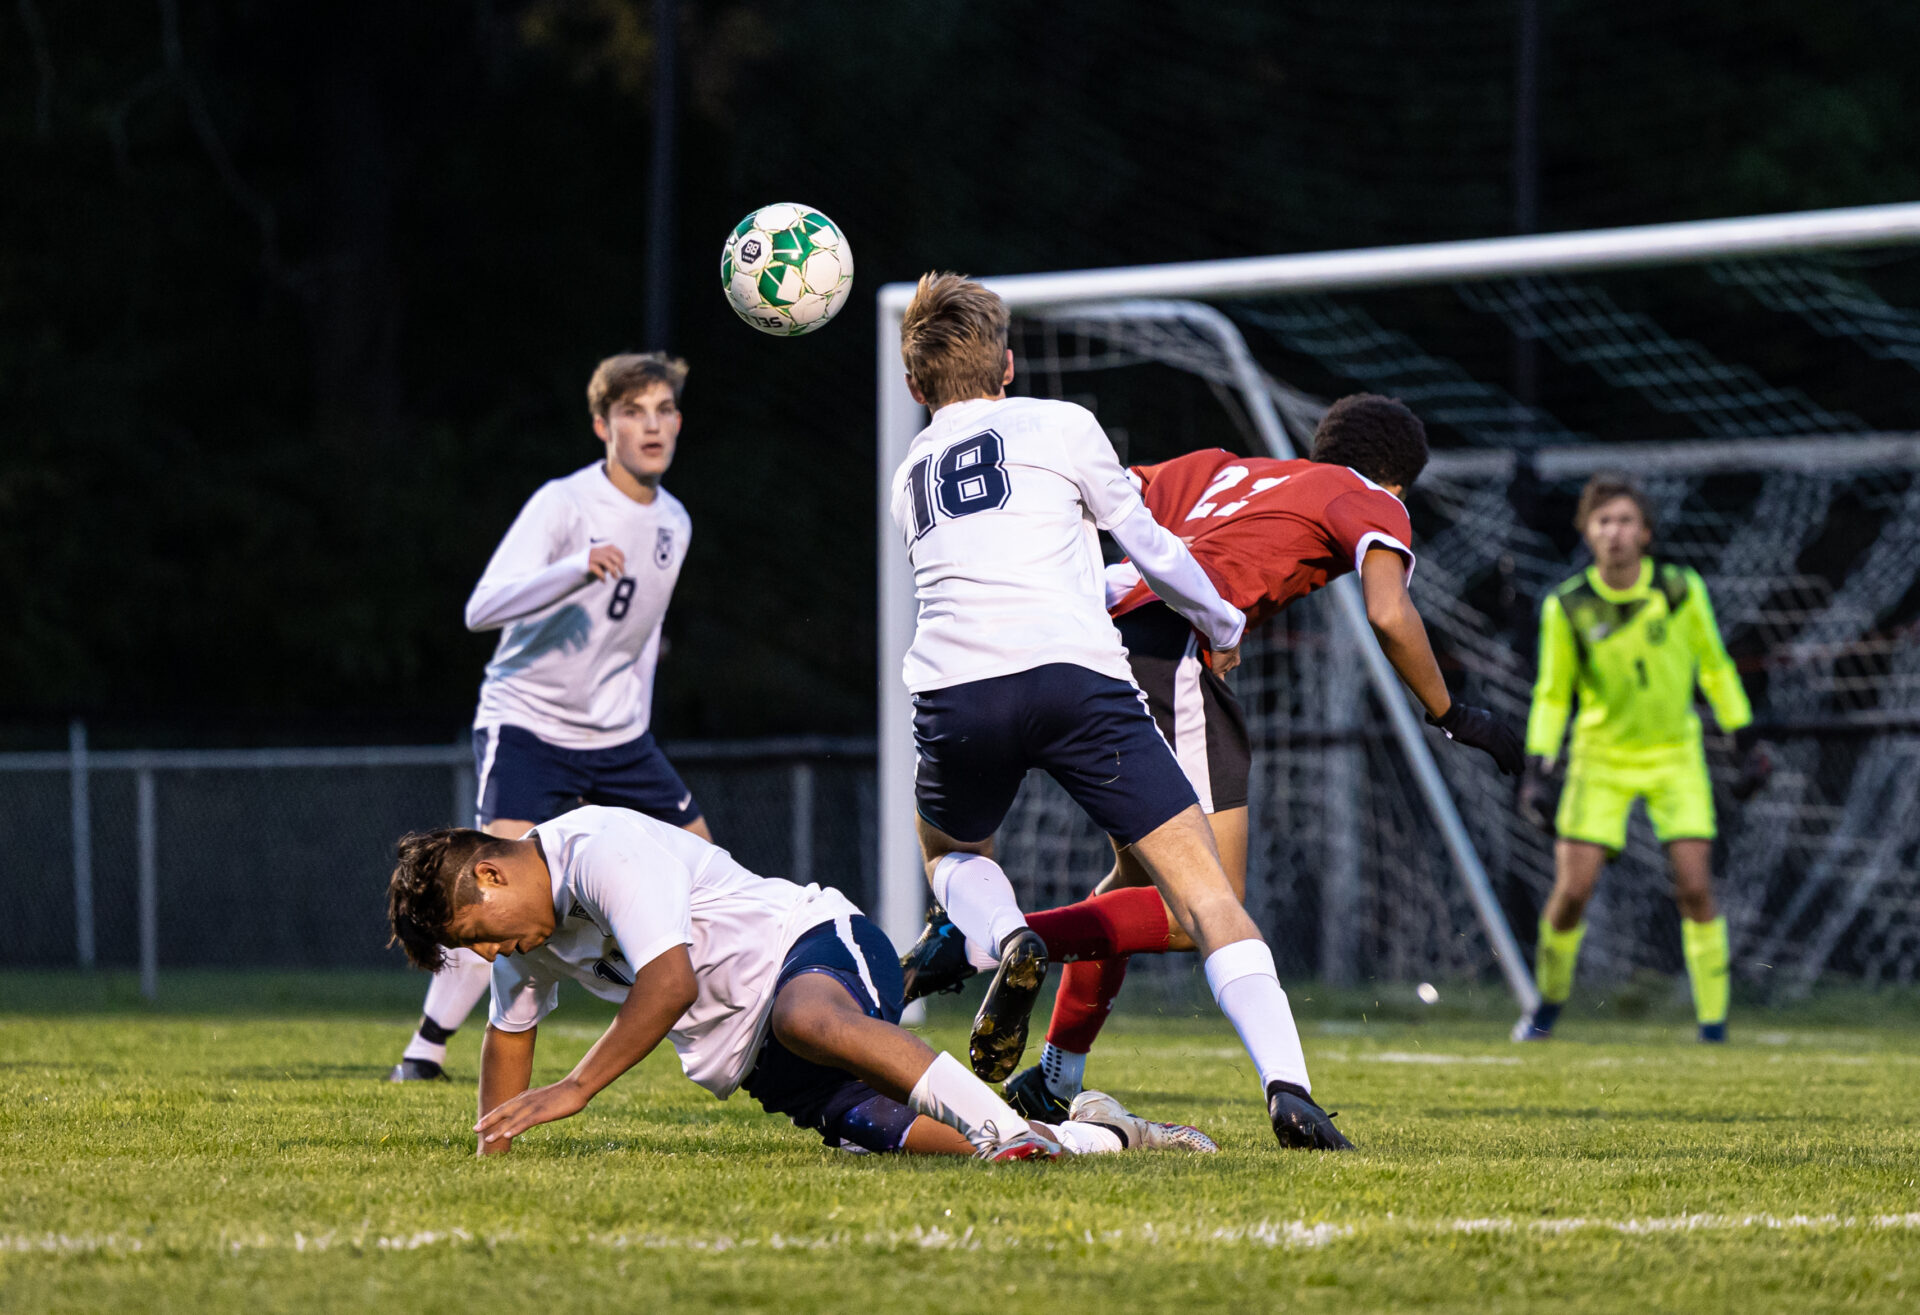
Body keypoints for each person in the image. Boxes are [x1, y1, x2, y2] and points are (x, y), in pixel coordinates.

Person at [903, 395, 1524, 1119]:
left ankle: (1055, 1074)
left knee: (1135, 878)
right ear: (1398, 480)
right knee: (1202, 903)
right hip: (1174, 657)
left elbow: (1101, 503)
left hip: (1099, 644)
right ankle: (998, 939)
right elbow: (1389, 611)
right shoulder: (1366, 496)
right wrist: (1454, 715)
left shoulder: (1218, 469)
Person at [885, 272, 1349, 1150]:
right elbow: (1153, 547)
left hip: (955, 690)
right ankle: (1290, 1088)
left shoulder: (910, 472)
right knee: (1208, 894)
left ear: (915, 388)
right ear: (1009, 364)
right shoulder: (1063, 423)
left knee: (949, 855)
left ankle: (1008, 935)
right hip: (1077, 681)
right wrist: (1220, 621)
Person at [384, 805, 1218, 1160]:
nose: (489, 958)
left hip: (811, 946)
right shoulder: (525, 934)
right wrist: (493, 1142)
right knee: (911, 1143)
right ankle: (1096, 1133)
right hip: (756, 1060)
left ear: (490, 876)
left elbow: (668, 983)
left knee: (804, 1014)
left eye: (475, 939)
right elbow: (509, 1032)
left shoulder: (596, 848)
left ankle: (1007, 1122)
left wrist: (575, 1088)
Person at [389, 353, 711, 1082]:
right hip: (530, 722)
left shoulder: (675, 522)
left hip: (620, 739)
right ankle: (425, 1051)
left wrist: (637, 727)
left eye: (663, 409)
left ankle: (742, 1022)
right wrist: (573, 569)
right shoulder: (564, 504)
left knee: (704, 868)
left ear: (679, 422)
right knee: (490, 884)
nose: (651, 424)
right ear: (603, 426)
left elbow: (642, 642)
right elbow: (481, 608)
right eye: (633, 412)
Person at [1511, 474, 1772, 1043]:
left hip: (1675, 755)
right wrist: (1537, 768)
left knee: (1696, 887)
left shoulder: (1680, 591)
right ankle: (1546, 1006)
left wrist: (1744, 739)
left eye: (1627, 521)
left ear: (1646, 532)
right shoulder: (1569, 605)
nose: (1616, 532)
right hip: (1599, 759)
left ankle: (1714, 1026)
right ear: (1587, 532)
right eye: (1604, 521)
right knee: (1572, 892)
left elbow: (1714, 666)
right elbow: (1554, 693)